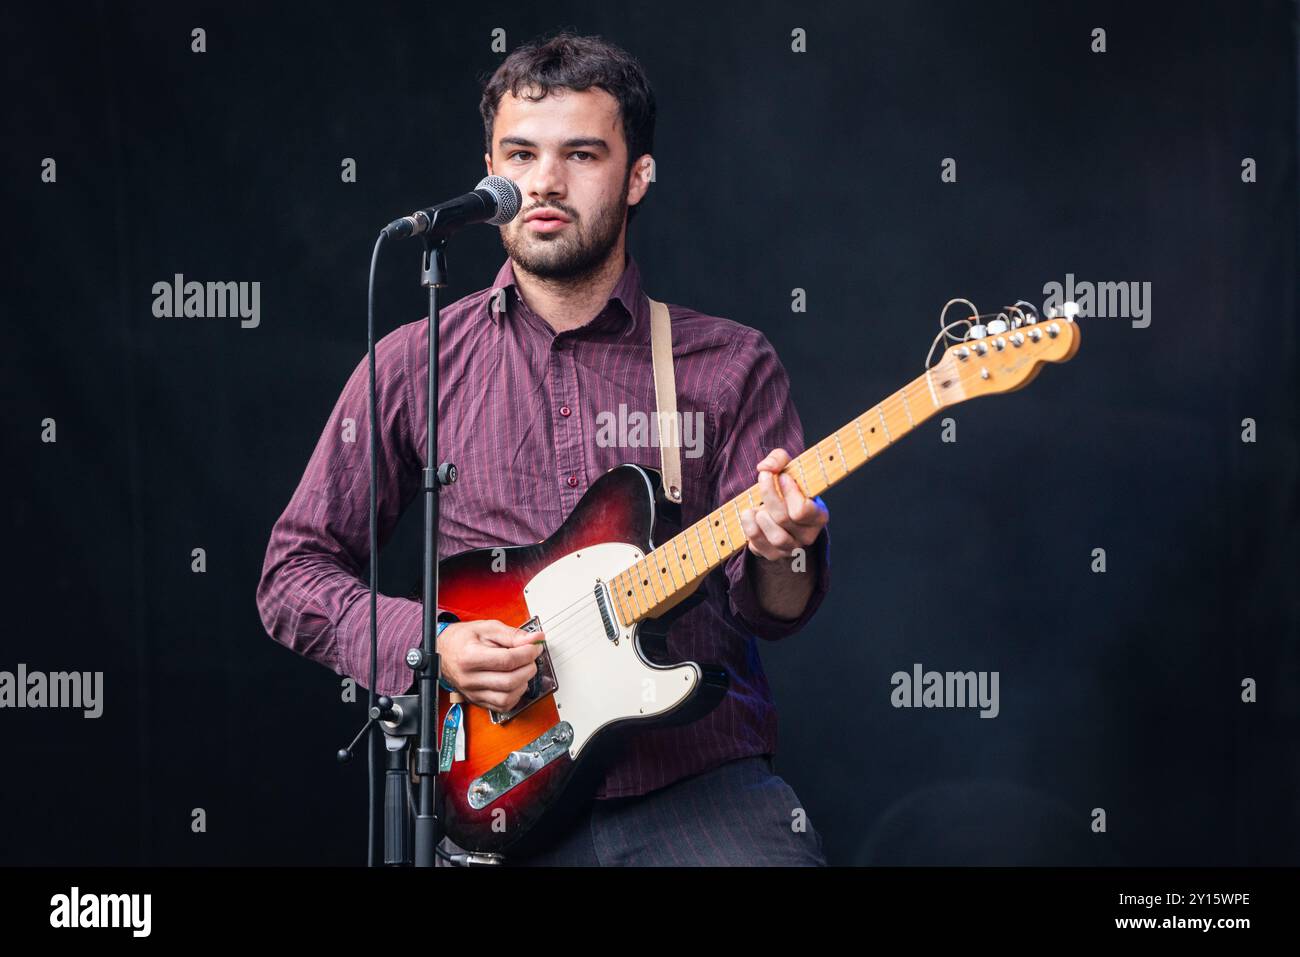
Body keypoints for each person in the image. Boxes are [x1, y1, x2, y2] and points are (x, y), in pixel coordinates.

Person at [256, 30, 831, 866]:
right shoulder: (413, 362)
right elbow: (292, 571)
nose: (544, 183)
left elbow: (770, 609)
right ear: (488, 168)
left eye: (582, 154)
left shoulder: (730, 362)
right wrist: (434, 645)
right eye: (519, 154)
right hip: (496, 792)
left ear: (638, 176)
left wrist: (787, 549)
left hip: (696, 790)